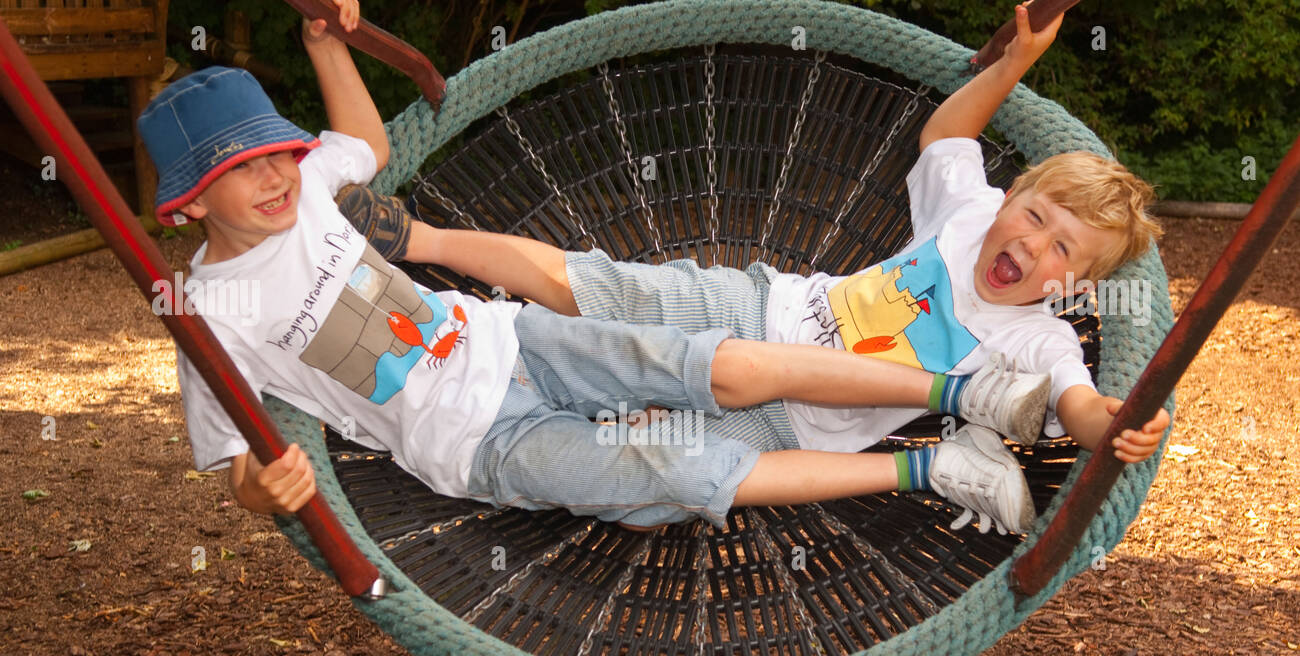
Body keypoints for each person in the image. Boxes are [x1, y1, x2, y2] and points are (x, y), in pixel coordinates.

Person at [134, 2, 1110, 537]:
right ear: (184, 205)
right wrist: (273, 487)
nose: (270, 178)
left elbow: (358, 143)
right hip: (467, 438)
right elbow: (236, 468)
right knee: (672, 462)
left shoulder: (307, 188)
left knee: (701, 361)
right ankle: (934, 460)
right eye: (238, 169)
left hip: (508, 335)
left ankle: (959, 396)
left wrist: (323, 39)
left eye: (274, 153)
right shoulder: (207, 314)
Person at [361, 3, 1170, 491]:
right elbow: (947, 132)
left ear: (1079, 285)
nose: (1032, 244)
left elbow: (1075, 407)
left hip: (795, 426)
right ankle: (416, 235)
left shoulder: (1040, 338)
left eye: (1064, 250)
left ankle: (513, 406)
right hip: (761, 307)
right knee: (592, 285)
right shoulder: (969, 214)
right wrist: (1013, 65)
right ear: (1013, 196)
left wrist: (1116, 426)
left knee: (653, 465)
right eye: (1033, 216)